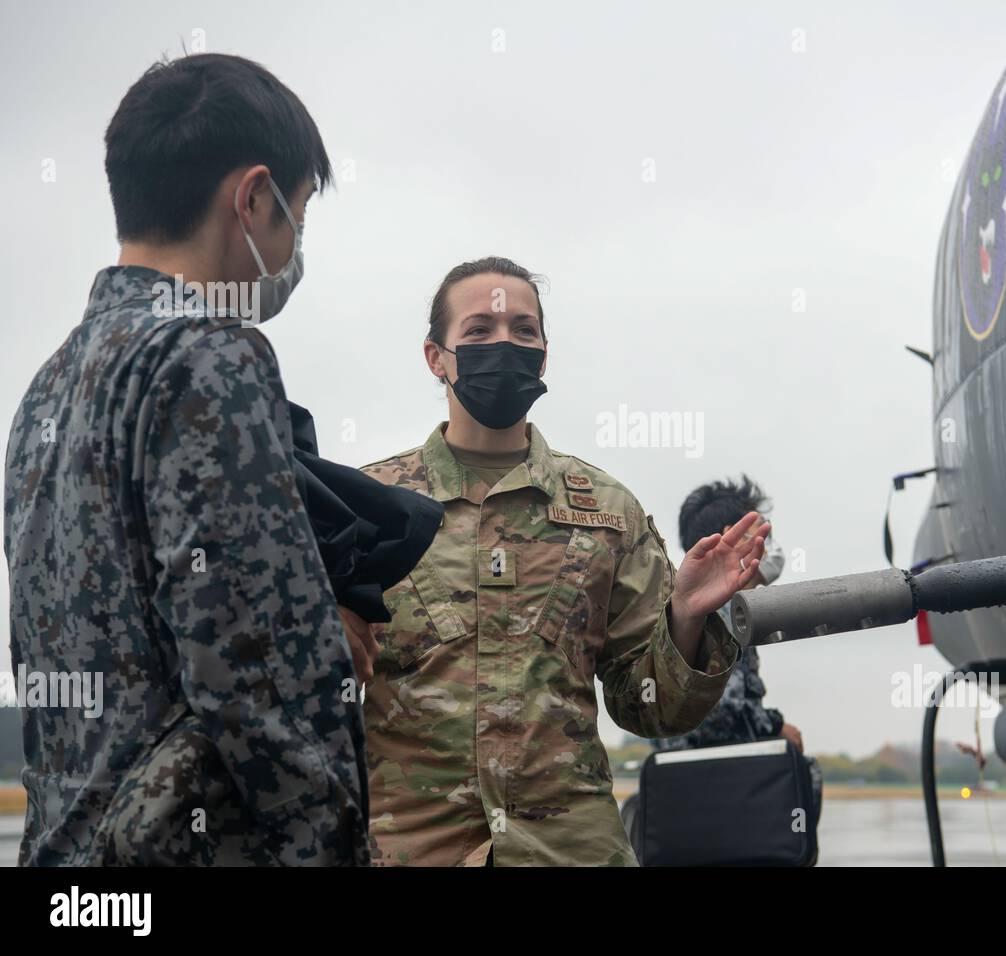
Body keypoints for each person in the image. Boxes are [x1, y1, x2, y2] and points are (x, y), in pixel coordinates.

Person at [4, 54, 374, 865]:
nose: (295, 243)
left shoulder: (48, 388)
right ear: (252, 197)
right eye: (298, 214)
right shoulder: (206, 356)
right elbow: (254, 674)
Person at [360, 256, 769, 866]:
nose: (504, 344)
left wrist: (685, 620)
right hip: (409, 848)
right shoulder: (371, 509)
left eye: (523, 331)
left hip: (568, 851)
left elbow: (650, 707)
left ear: (544, 355)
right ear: (435, 358)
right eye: (478, 331)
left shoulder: (607, 512)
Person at [651, 476, 803, 753]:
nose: (771, 546)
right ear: (735, 536)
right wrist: (776, 728)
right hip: (714, 773)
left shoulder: (699, 606)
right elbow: (718, 713)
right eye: (762, 530)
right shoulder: (719, 612)